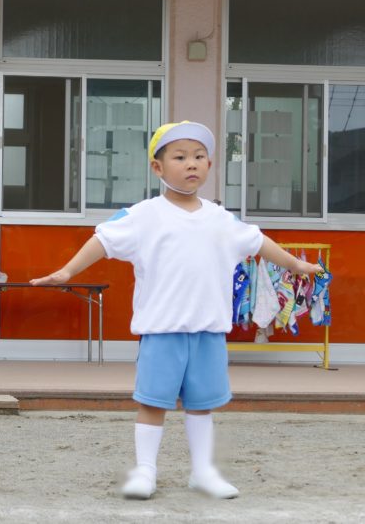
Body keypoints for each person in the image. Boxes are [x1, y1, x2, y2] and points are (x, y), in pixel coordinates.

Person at [30, 121, 322, 500]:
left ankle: (203, 472)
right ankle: (145, 471)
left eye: (199, 156)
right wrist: (68, 271)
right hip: (161, 330)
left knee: (202, 406)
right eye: (180, 157)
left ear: (210, 165)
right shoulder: (143, 215)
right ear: (158, 167)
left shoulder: (221, 219)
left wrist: (296, 265)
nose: (191, 164)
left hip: (208, 331)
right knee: (153, 402)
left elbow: (258, 241)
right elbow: (103, 240)